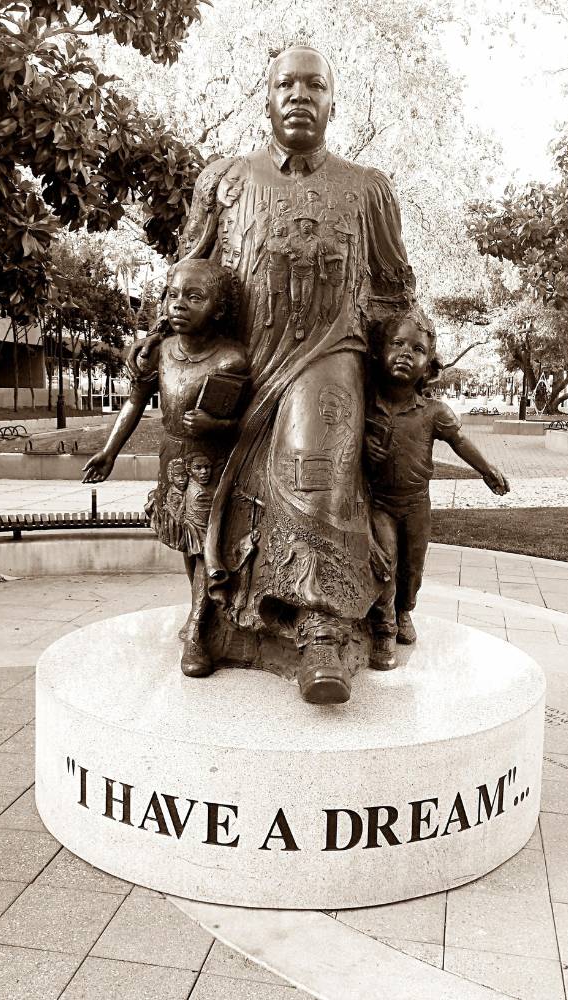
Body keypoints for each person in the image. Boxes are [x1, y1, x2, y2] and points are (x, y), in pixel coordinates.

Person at [172, 44, 418, 704]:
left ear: (335, 102)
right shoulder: (222, 181)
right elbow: (185, 276)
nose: (300, 95)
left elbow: (395, 291)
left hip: (329, 353)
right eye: (286, 84)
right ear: (267, 98)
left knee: (316, 461)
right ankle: (214, 613)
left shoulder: (367, 189)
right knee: (209, 483)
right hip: (243, 359)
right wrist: (170, 356)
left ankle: (320, 629)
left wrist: (400, 374)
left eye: (315, 85)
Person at [84, 259, 249, 677]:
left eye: (195, 297)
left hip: (208, 466)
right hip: (171, 460)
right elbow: (134, 403)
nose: (180, 305)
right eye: (173, 295)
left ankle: (197, 629)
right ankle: (198, 614)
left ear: (219, 308)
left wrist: (217, 425)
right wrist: (109, 452)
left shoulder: (231, 359)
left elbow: (248, 422)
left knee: (201, 544)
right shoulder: (159, 352)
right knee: (184, 543)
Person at [363, 307, 508, 668]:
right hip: (378, 501)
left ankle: (404, 611)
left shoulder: (433, 412)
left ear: (428, 366)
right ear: (380, 353)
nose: (405, 354)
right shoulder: (364, 406)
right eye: (397, 344)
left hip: (416, 504)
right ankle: (383, 629)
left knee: (412, 568)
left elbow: (459, 442)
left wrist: (487, 470)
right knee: (385, 561)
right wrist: (364, 444)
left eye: (417, 349)